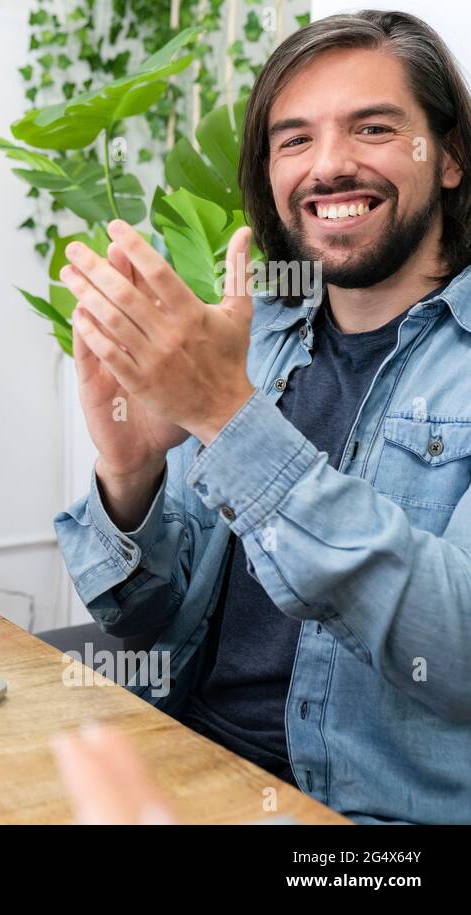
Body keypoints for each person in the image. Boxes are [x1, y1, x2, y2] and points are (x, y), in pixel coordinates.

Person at [54, 10, 471, 824]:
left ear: (449, 157)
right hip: (189, 768)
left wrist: (224, 415)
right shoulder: (255, 339)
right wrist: (130, 469)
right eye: (294, 140)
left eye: (373, 128)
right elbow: (144, 619)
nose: (331, 166)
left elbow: (454, 649)